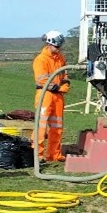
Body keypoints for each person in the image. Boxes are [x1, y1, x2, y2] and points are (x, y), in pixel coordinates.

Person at [32, 30, 69, 162]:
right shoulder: (41, 59)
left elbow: (65, 75)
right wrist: (57, 87)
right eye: (57, 46)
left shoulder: (61, 58)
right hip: (45, 94)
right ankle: (37, 154)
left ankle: (54, 154)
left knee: (57, 126)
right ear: (50, 43)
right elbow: (41, 79)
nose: (59, 49)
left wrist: (64, 87)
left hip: (58, 96)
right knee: (41, 126)